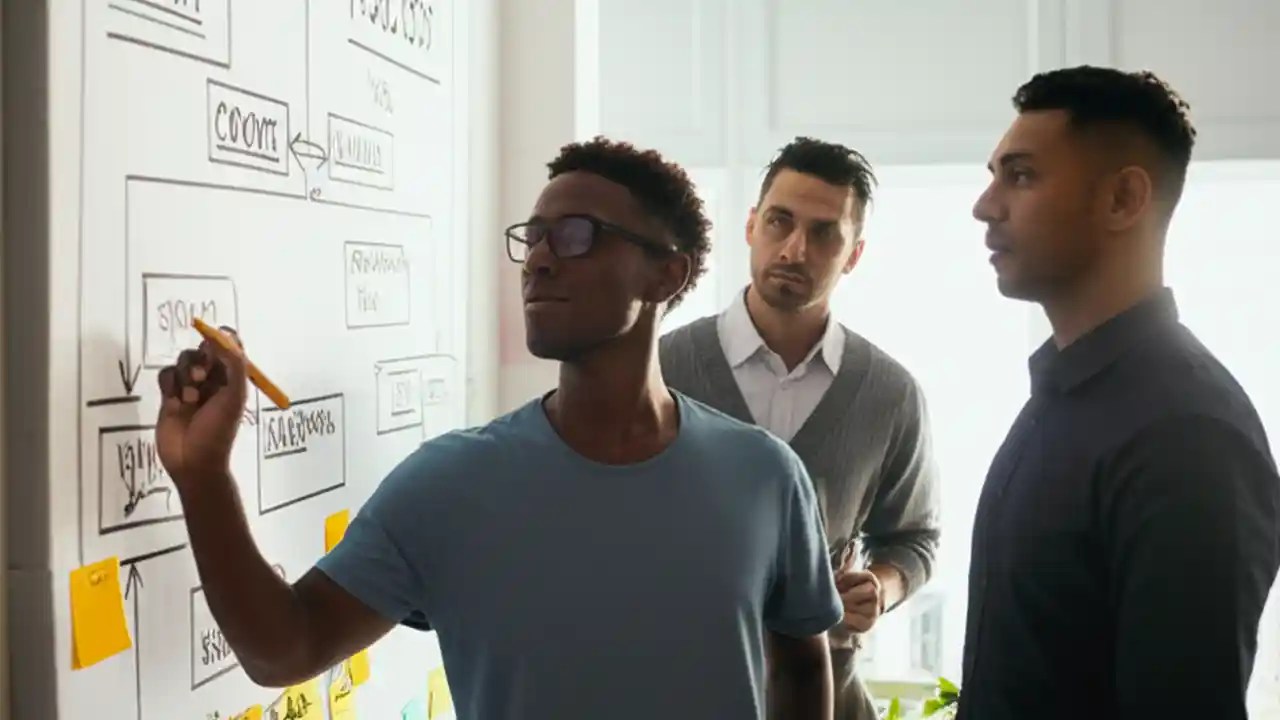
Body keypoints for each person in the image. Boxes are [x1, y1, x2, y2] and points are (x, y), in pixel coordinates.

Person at [155, 137, 845, 719]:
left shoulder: (764, 476)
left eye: (577, 235)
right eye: (534, 237)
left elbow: (804, 668)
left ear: (665, 275)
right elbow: (283, 650)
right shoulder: (449, 486)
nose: (539, 259)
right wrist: (202, 474)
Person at [960, 65, 1280, 719]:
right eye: (994, 176)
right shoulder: (1061, 399)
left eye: (1020, 176)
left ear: (1123, 199)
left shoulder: (1187, 433)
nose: (985, 206)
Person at [660, 136, 941, 720]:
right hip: (681, 690)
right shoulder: (662, 370)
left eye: (824, 233)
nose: (795, 248)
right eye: (779, 221)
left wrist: (881, 587)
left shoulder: (889, 395)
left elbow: (914, 538)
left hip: (831, 696)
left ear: (853, 254)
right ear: (750, 226)